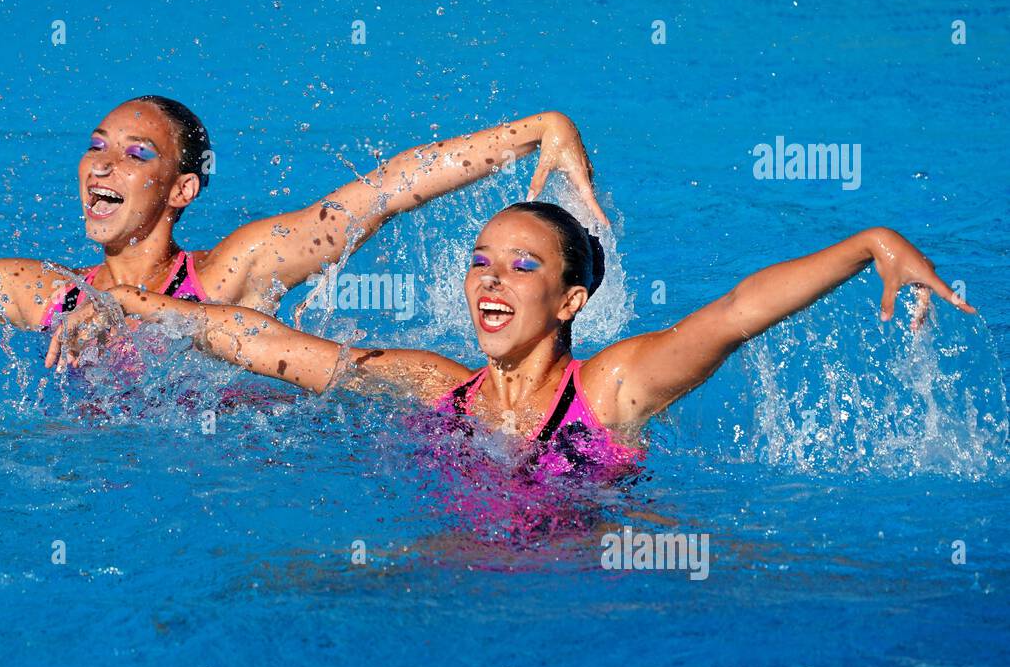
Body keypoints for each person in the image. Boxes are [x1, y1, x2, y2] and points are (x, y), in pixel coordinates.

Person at [0, 8, 609, 349]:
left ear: (182, 192)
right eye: (97, 145)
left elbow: (382, 191)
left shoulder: (233, 274)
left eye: (138, 154)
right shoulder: (45, 294)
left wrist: (538, 130)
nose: (103, 162)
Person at [50, 201, 976, 482]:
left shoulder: (611, 389)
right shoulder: (434, 387)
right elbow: (261, 343)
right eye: (481, 261)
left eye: (522, 267)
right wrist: (123, 308)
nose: (490, 279)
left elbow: (732, 314)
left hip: (600, 588)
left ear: (571, 299)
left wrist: (872, 245)